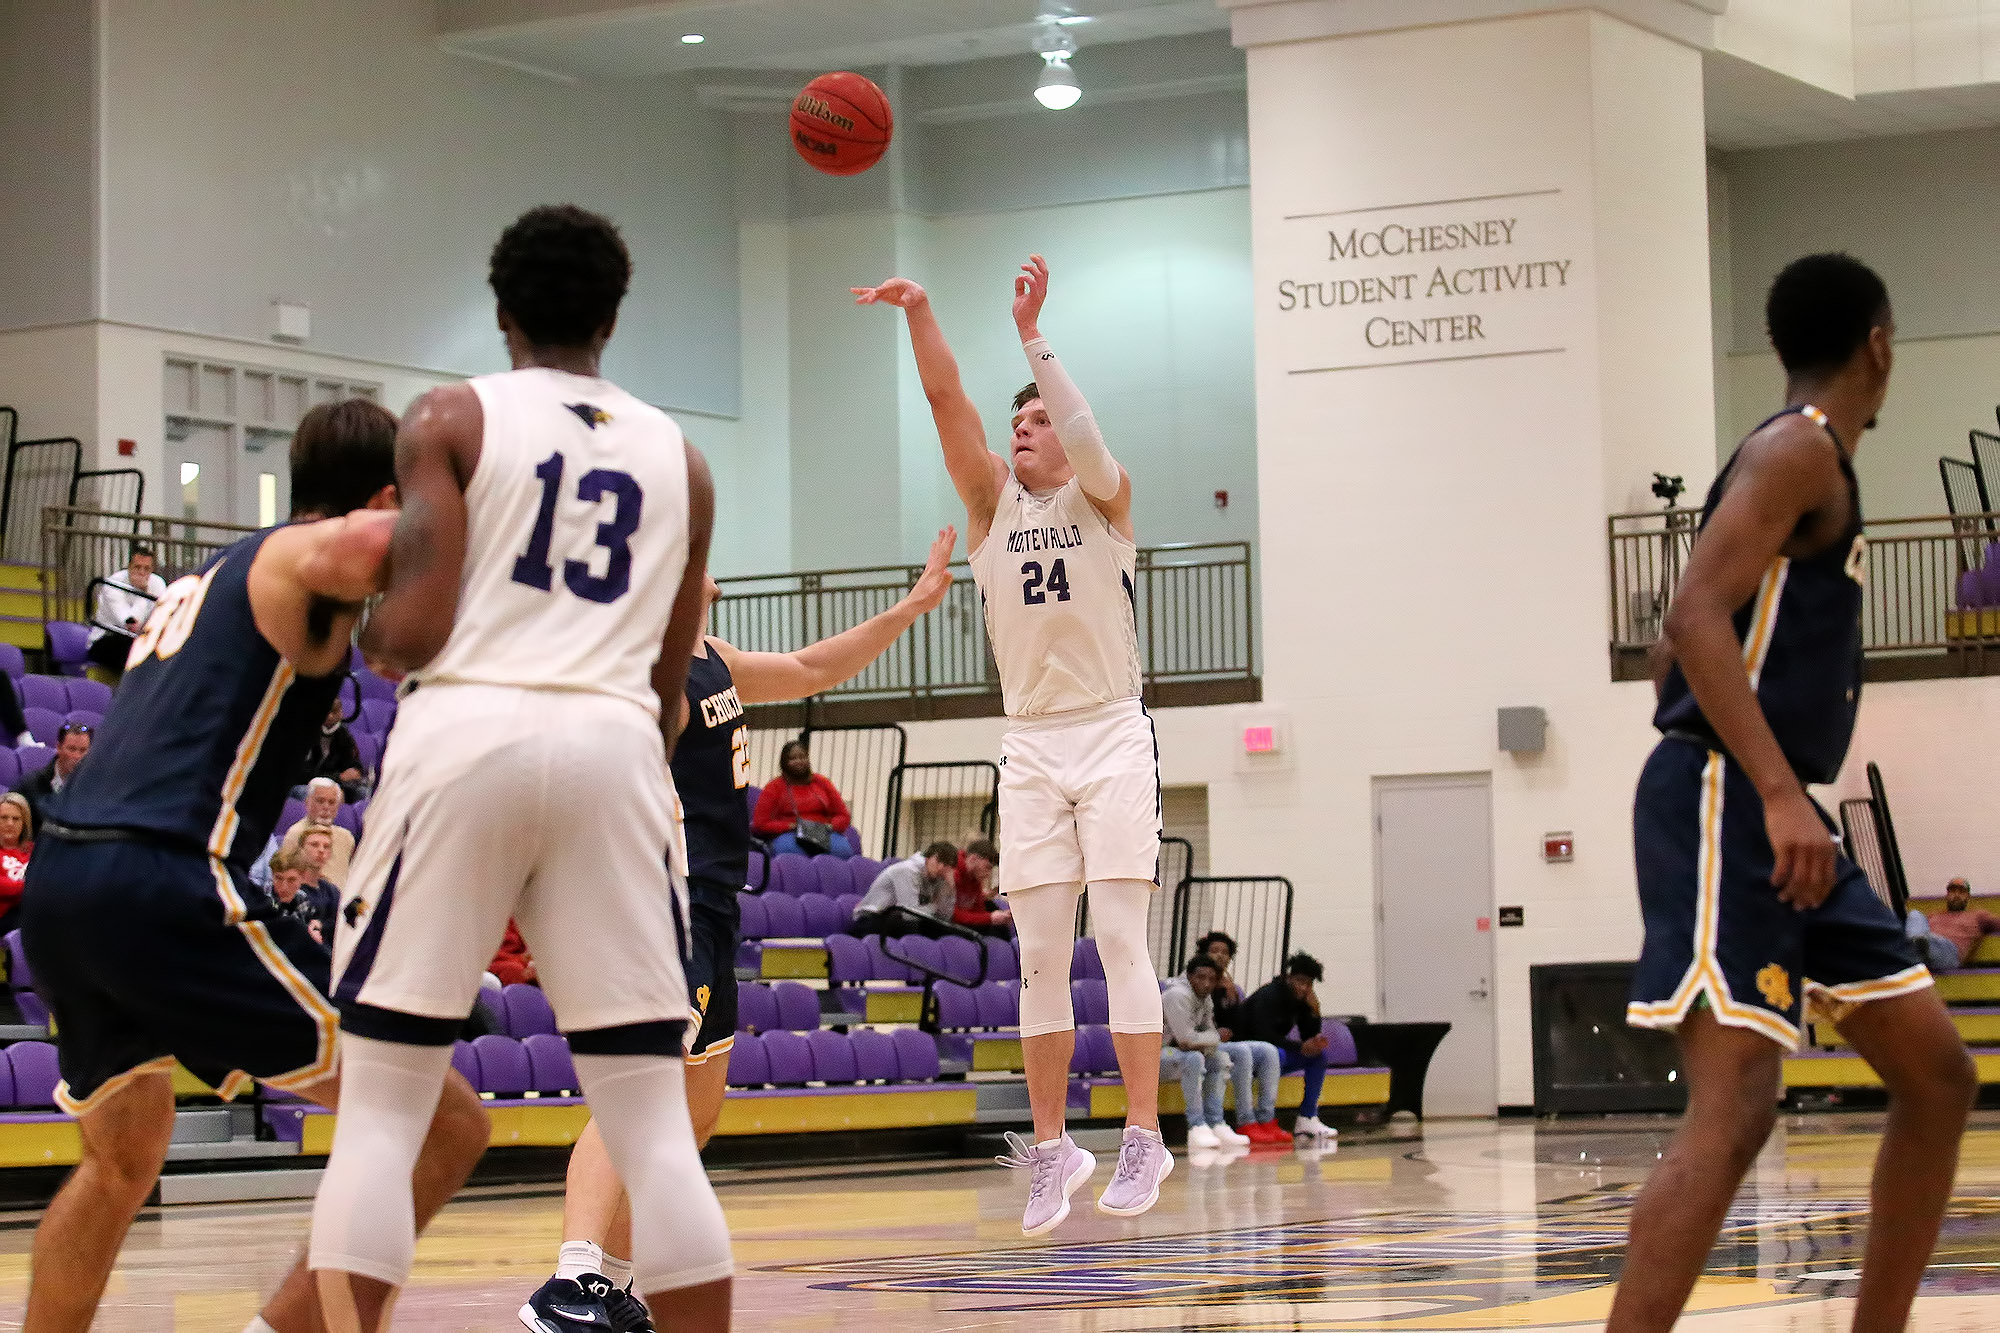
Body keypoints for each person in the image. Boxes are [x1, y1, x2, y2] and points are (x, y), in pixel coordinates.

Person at [307, 204, 731, 1333]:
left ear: (502, 314)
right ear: (611, 316)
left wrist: (365, 627)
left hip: (471, 730)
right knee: (650, 1119)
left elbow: (411, 628)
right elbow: (668, 677)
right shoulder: (681, 462)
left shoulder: (449, 415)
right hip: (613, 743)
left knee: (385, 1112)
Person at [13, 397, 490, 1333]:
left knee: (119, 1158)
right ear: (385, 493)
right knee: (445, 1124)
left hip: (67, 881)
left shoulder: (223, 572)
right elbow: (379, 544)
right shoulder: (302, 555)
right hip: (160, 880)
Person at [1612, 254, 1976, 1332]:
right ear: (1879, 341)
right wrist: (1768, 790)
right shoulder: (1796, 449)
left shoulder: (1792, 460)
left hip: (1770, 805)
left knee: (1937, 1076)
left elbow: (1663, 656)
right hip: (1738, 801)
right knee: (1733, 1114)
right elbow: (1686, 622)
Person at [523, 534, 954, 1333]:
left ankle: (610, 1286)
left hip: (716, 902)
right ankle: (568, 1277)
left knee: (697, 1109)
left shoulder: (711, 655)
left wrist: (910, 608)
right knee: (641, 1093)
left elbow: (812, 670)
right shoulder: (636, 669)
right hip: (662, 897)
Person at [859, 253, 1168, 1234]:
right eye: (1017, 422)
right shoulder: (991, 511)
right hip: (1030, 743)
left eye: (1036, 420)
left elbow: (1082, 428)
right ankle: (1051, 1148)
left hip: (1111, 731)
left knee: (1117, 938)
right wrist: (918, 312)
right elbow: (947, 399)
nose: (1023, 432)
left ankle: (1143, 1136)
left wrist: (1033, 335)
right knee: (1035, 957)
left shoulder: (1104, 499)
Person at [1234, 953, 1338, 1142]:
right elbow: (1261, 1034)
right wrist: (1299, 1047)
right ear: (1288, 977)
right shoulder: (1269, 995)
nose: (1303, 987)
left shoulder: (1301, 1000)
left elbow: (1308, 1036)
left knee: (1318, 1057)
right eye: (1300, 981)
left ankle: (1307, 1117)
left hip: (1274, 1054)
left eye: (1308, 983)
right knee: (1276, 1054)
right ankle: (1264, 1119)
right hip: (1248, 1056)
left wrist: (1314, 1012)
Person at [1160, 955, 1246, 1151]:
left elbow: (1206, 1033)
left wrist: (1209, 1039)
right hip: (1155, 1056)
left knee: (1219, 1058)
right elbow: (1186, 1039)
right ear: (1189, 976)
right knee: (1194, 1058)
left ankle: (1216, 1123)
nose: (1206, 983)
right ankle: (1196, 1125)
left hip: (1179, 1055)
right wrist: (1213, 1038)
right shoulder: (1177, 995)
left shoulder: (1206, 999)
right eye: (1200, 977)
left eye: (1211, 979)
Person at [751, 740, 855, 858]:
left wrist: (829, 827)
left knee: (842, 850)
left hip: (823, 831)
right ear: (784, 763)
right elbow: (760, 823)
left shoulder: (822, 782)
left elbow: (843, 815)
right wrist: (790, 826)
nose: (799, 761)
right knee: (791, 853)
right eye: (793, 758)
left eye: (802, 757)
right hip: (789, 833)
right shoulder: (774, 787)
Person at [85, 543, 167, 674]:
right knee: (132, 648)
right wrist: (142, 593)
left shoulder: (158, 583)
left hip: (140, 639)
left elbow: (162, 616)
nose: (141, 572)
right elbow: (129, 625)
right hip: (107, 638)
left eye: (147, 569)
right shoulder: (112, 584)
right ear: (129, 567)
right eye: (137, 567)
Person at [851, 843, 959, 939]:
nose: (940, 867)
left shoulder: (939, 879)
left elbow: (945, 916)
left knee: (946, 930)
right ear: (928, 857)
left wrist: (950, 889)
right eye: (938, 861)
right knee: (913, 926)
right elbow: (909, 914)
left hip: (896, 920)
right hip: (870, 919)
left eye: (946, 866)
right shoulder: (907, 870)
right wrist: (934, 906)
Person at [11, 721, 92, 829]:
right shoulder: (30, 785)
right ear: (58, 747)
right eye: (72, 749)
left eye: (83, 750)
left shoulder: (97, 787)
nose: (77, 756)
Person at [1912, 878, 2000, 974]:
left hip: (1950, 954)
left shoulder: (1978, 916)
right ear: (1947, 895)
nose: (1956, 895)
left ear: (1968, 896)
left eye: (1961, 892)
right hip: (1927, 949)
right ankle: (1916, 945)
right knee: (1915, 914)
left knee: (1926, 939)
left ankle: (1916, 946)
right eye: (1952, 891)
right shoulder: (1933, 916)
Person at [279, 778, 354, 885]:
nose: (326, 807)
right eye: (320, 801)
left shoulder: (346, 837)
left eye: (331, 802)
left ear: (338, 807)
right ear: (307, 803)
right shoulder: (296, 833)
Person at [305, 699, 369, 801]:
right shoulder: (307, 733)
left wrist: (355, 771)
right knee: (306, 793)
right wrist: (338, 777)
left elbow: (354, 762)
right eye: (327, 712)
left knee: (363, 793)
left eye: (335, 712)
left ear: (341, 713)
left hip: (337, 783)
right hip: (307, 783)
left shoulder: (344, 734)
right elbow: (303, 773)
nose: (330, 716)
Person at [268, 851, 334, 949]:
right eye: (278, 878)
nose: (284, 887)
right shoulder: (261, 900)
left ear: (302, 878)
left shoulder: (304, 900)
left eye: (291, 880)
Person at [951, 838, 1012, 939]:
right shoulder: (953, 872)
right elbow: (951, 914)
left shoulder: (974, 878)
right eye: (987, 867)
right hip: (946, 924)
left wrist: (998, 917)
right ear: (973, 859)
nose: (988, 874)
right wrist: (990, 918)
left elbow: (978, 909)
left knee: (1000, 928)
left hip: (964, 922)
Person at [0, 792, 33, 939]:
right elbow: (3, 887)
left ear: (24, 823)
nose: (10, 823)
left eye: (16, 819)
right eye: (4, 818)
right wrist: (32, 887)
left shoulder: (34, 850)